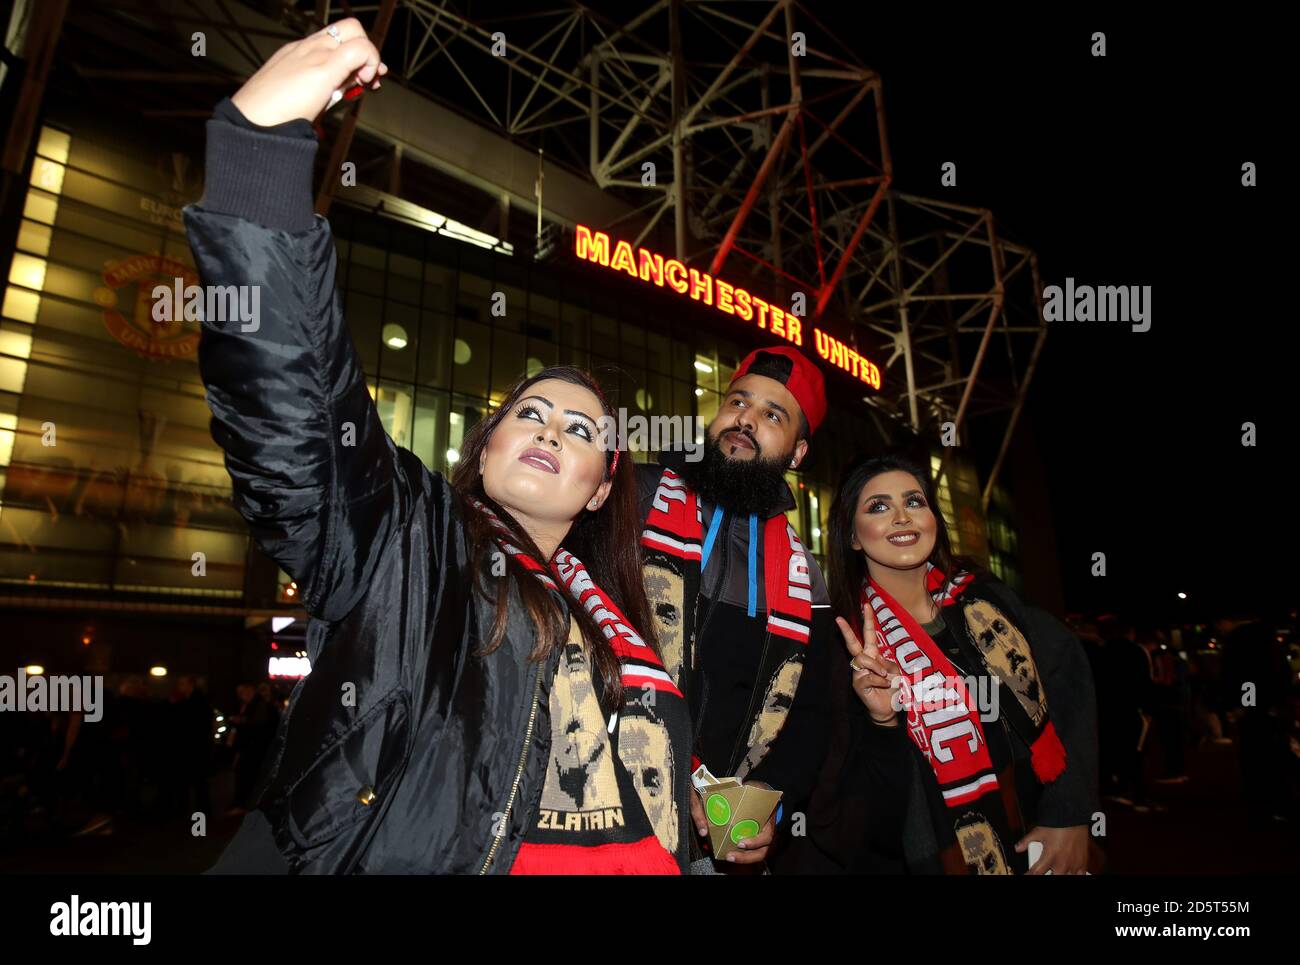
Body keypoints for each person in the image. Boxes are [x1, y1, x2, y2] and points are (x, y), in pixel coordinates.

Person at [194, 18, 690, 873]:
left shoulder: (616, 623)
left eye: (581, 432)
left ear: (602, 489)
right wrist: (259, 165)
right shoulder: (411, 544)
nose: (549, 430)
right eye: (530, 413)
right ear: (485, 448)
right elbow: (297, 423)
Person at [796, 452, 1100, 874]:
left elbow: (1069, 687)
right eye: (879, 507)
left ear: (934, 521)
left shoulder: (988, 603)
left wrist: (1069, 812)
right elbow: (847, 817)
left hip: (1035, 847)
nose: (902, 517)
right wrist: (884, 726)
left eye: (914, 502)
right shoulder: (839, 646)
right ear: (853, 536)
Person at [636, 345, 836, 873]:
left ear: (796, 454)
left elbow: (812, 715)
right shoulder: (635, 498)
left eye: (773, 414)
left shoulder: (807, 576)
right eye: (738, 401)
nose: (745, 418)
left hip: (714, 843)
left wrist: (773, 798)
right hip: (605, 811)